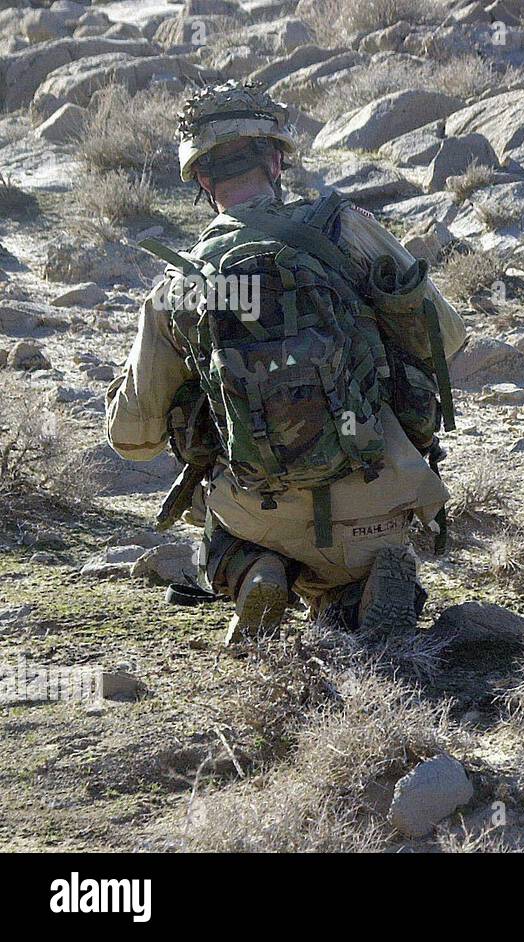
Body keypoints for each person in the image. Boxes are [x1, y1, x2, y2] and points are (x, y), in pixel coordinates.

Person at [106, 80, 465, 643]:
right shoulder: (345, 228)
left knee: (218, 539)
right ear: (276, 159)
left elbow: (133, 438)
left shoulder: (178, 285)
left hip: (261, 510)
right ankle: (366, 579)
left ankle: (255, 572)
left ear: (201, 178)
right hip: (381, 494)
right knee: (351, 589)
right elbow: (447, 337)